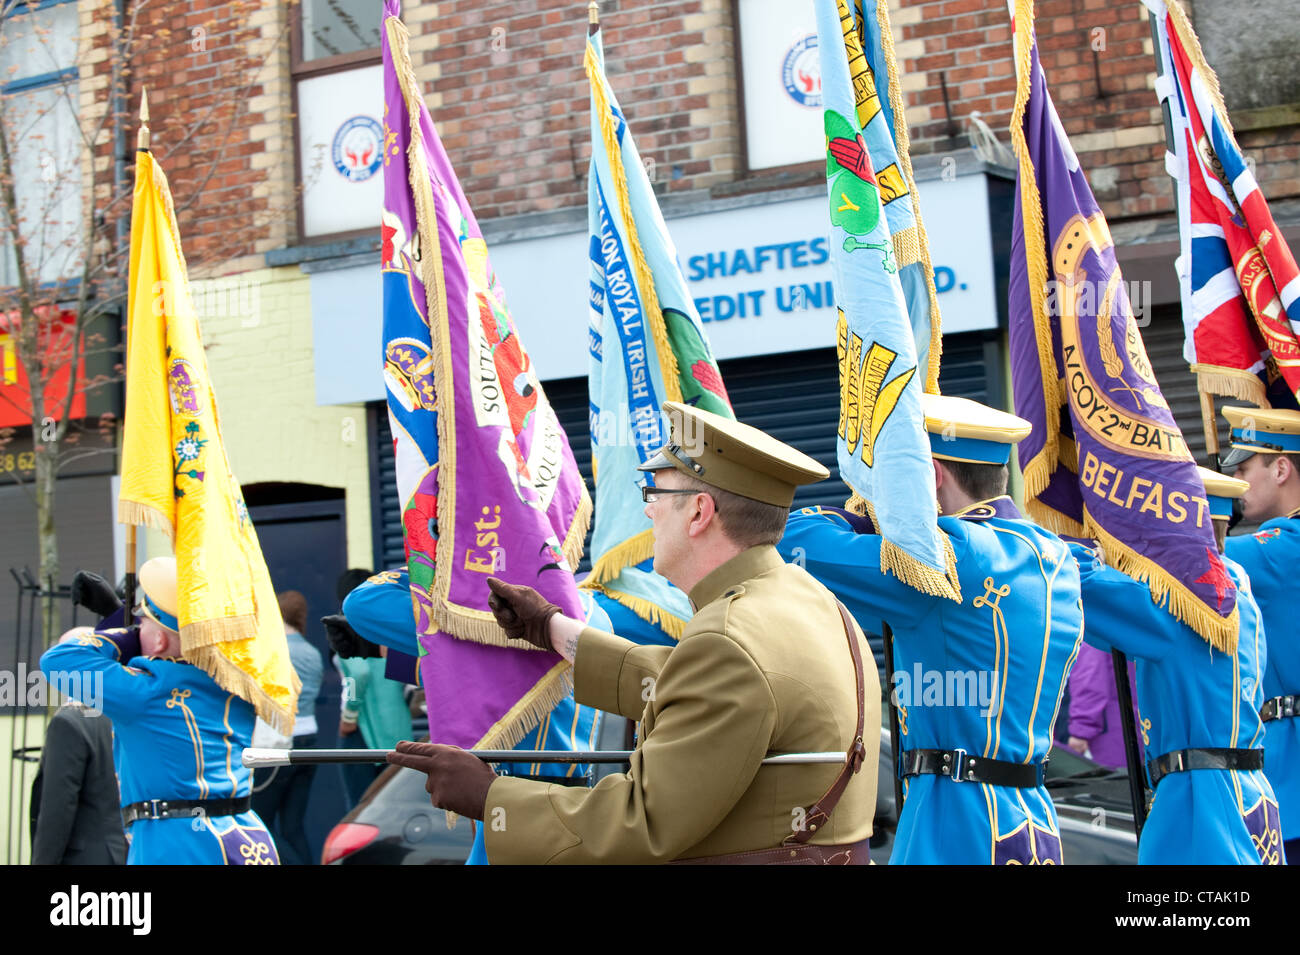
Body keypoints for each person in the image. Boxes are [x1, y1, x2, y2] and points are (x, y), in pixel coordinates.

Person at [389, 401, 881, 864]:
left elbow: (642, 821)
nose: (647, 510)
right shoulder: (805, 599)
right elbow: (697, 685)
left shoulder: (729, 639)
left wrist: (490, 797)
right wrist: (550, 628)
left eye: (656, 494)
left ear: (699, 512)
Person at [778, 394, 1081, 865]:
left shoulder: (948, 561)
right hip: (1033, 817)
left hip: (952, 823)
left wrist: (870, 517)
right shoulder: (1056, 555)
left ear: (932, 475)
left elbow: (794, 541)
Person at [1070, 466, 1283, 864]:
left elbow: (1075, 582)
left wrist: (1095, 538)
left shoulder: (1184, 603)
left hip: (1200, 801)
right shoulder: (1237, 589)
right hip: (1246, 792)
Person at [39, 556, 280, 864]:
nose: (137, 630)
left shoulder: (146, 692)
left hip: (177, 846)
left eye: (142, 624)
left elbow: (58, 662)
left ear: (159, 641)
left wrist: (119, 628)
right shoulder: (240, 681)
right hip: (247, 841)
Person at [1221, 405, 1300, 862]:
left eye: (1245, 469)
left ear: (1282, 468)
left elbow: (1185, 563)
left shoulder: (1277, 549)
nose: (1237, 484)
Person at [251, 590, 322, 865]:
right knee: (294, 826)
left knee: (261, 821)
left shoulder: (272, 651)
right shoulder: (312, 652)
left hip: (277, 742)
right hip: (310, 738)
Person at [30, 698, 126, 865]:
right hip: (124, 852)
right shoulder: (123, 716)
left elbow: (57, 811)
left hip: (84, 858)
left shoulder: (68, 722)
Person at [1065, 642, 1141, 770]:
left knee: (1110, 783)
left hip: (1107, 730)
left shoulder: (1094, 634)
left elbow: (1089, 679)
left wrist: (1081, 730)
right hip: (1135, 723)